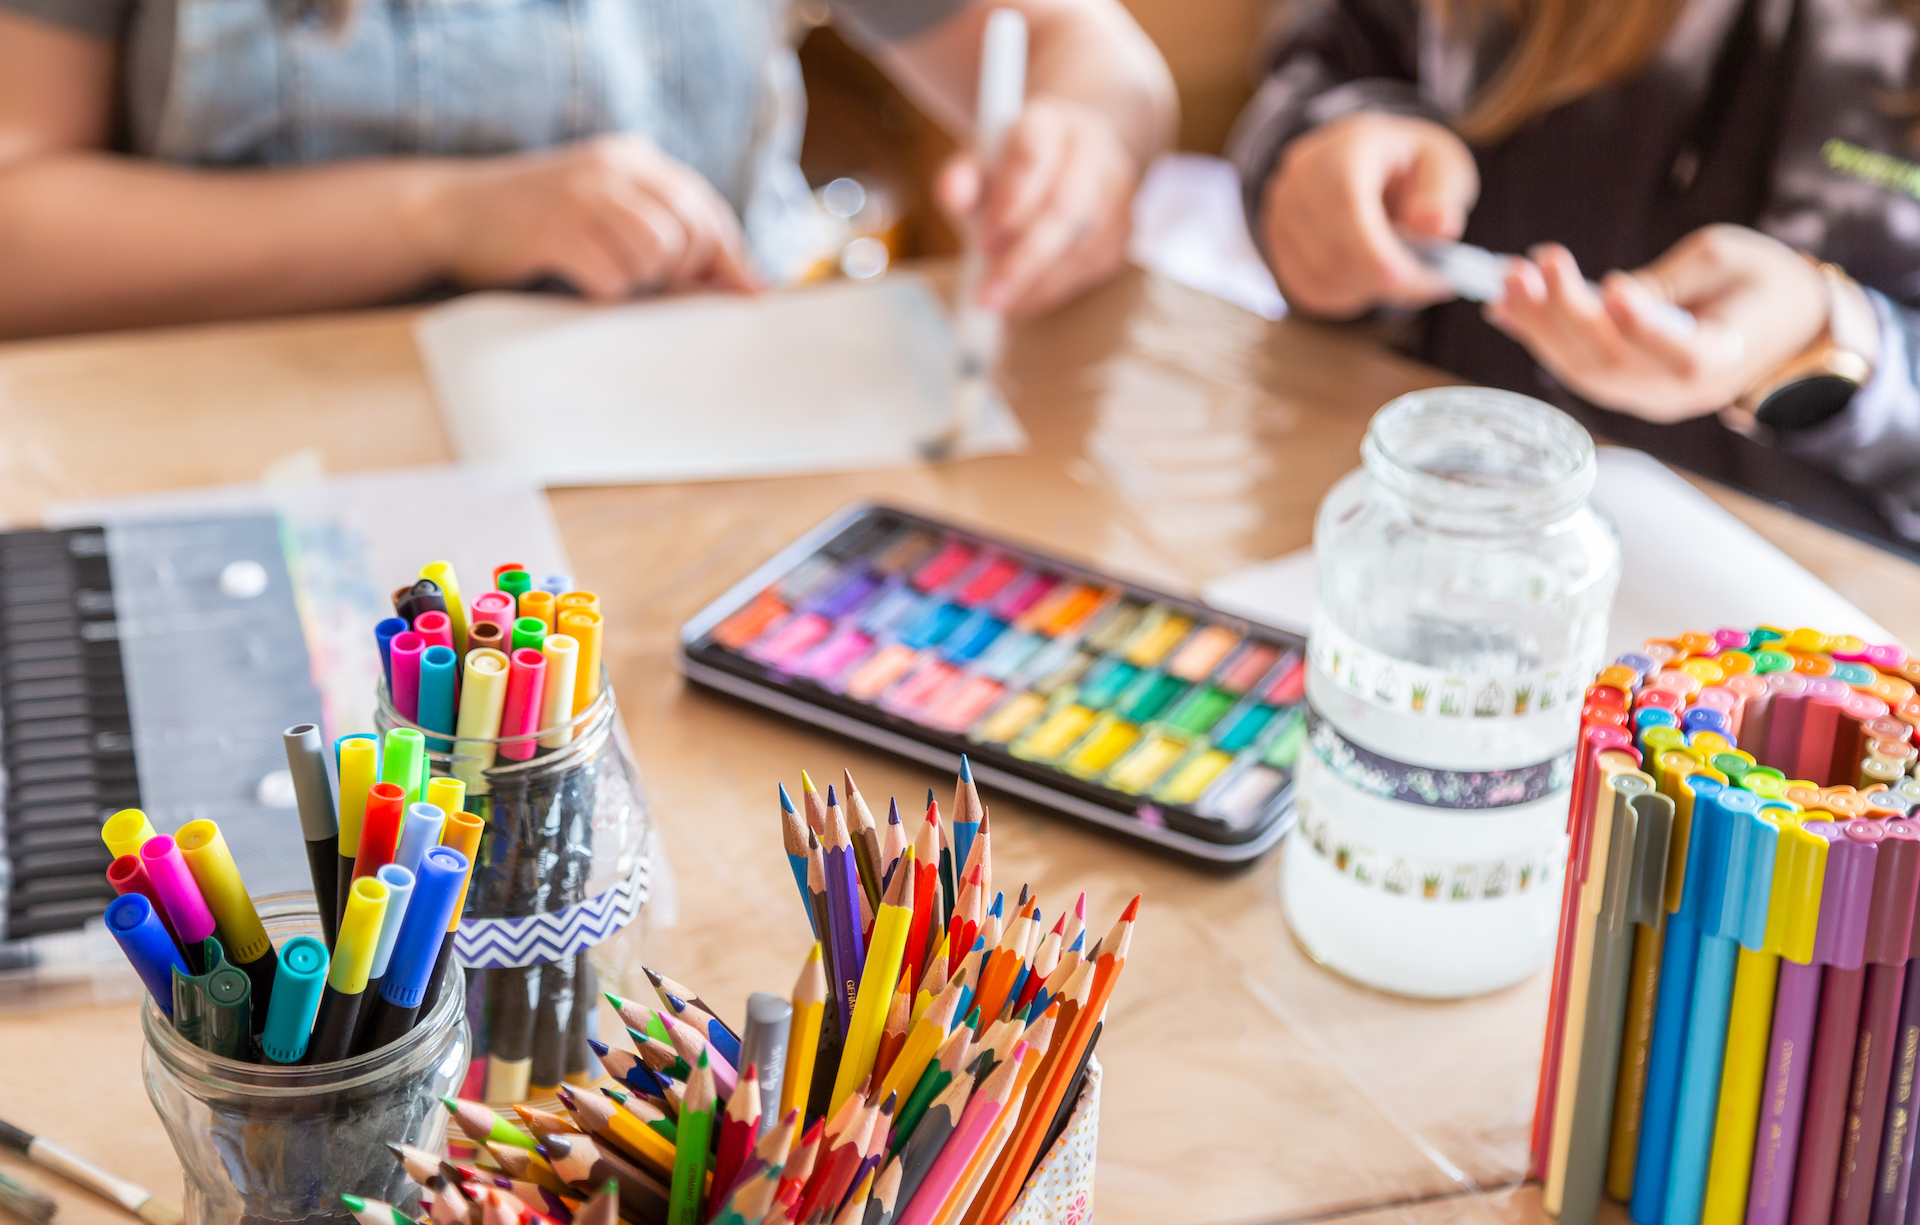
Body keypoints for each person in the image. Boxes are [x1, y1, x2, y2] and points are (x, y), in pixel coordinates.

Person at [0, 0, 1175, 337]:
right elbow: (22, 230)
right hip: (259, 455)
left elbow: (1091, 53)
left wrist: (1083, 143)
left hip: (697, 440)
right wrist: (444, 213)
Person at [1228, 0, 1920, 541]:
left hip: (1802, 639)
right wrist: (1314, 167)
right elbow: (1330, 63)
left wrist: (1834, 337)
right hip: (1417, 527)